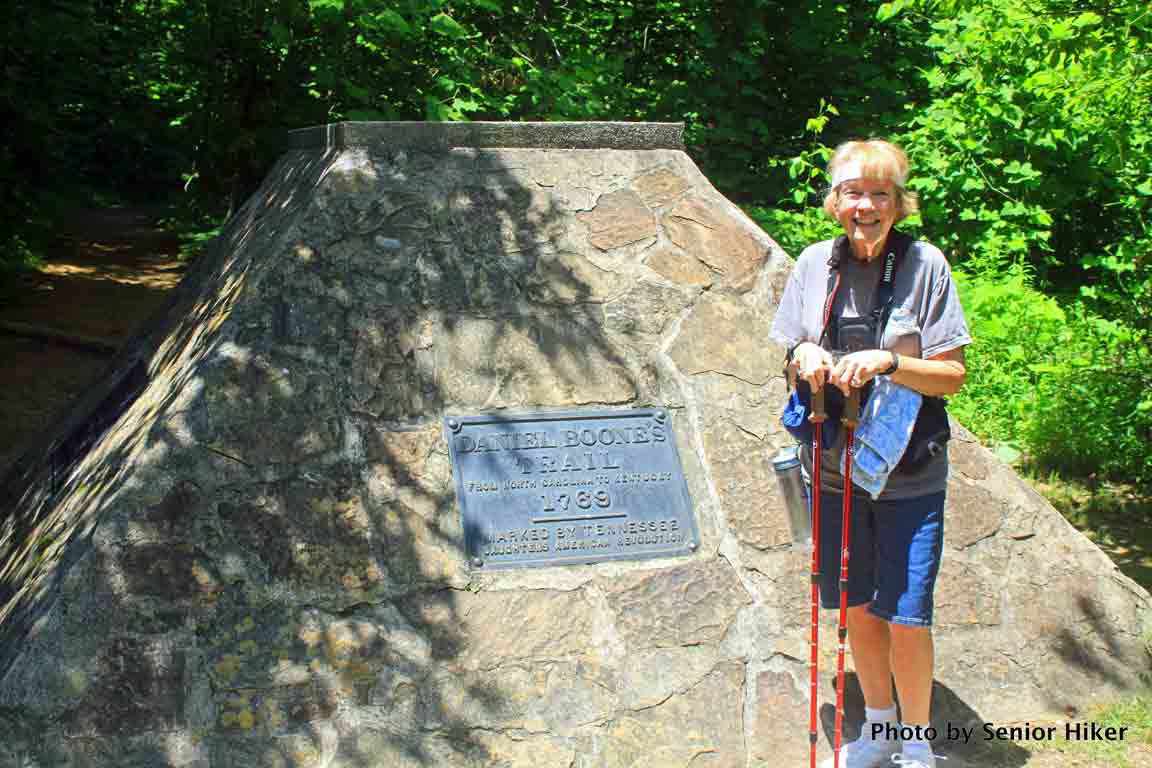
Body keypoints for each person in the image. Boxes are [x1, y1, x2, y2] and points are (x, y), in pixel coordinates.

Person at [769, 139, 972, 768]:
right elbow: (789, 351)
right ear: (835, 202)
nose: (867, 206)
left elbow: (953, 375)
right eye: (855, 192)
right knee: (855, 605)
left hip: (908, 471)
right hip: (832, 470)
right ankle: (878, 728)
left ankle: (917, 744)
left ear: (899, 203)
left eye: (881, 193)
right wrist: (802, 357)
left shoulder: (926, 265)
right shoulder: (812, 264)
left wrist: (890, 362)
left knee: (906, 614)